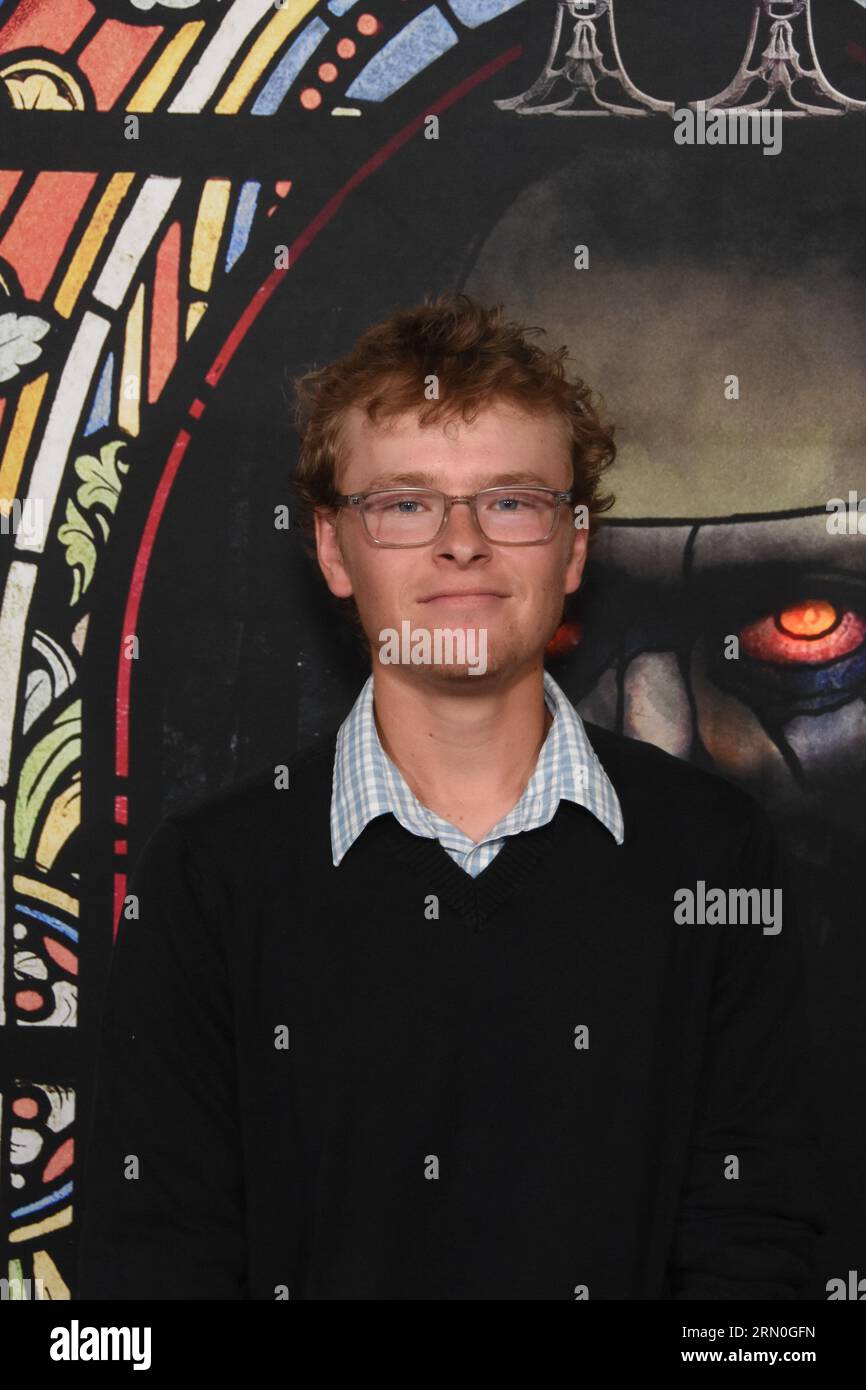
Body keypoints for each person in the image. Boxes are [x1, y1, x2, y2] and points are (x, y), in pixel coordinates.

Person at [76, 291, 824, 1300]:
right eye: (405, 503)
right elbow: (154, 1261)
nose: (460, 541)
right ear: (334, 551)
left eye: (510, 500)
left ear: (571, 546)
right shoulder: (211, 876)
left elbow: (756, 1244)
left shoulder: (713, 854)